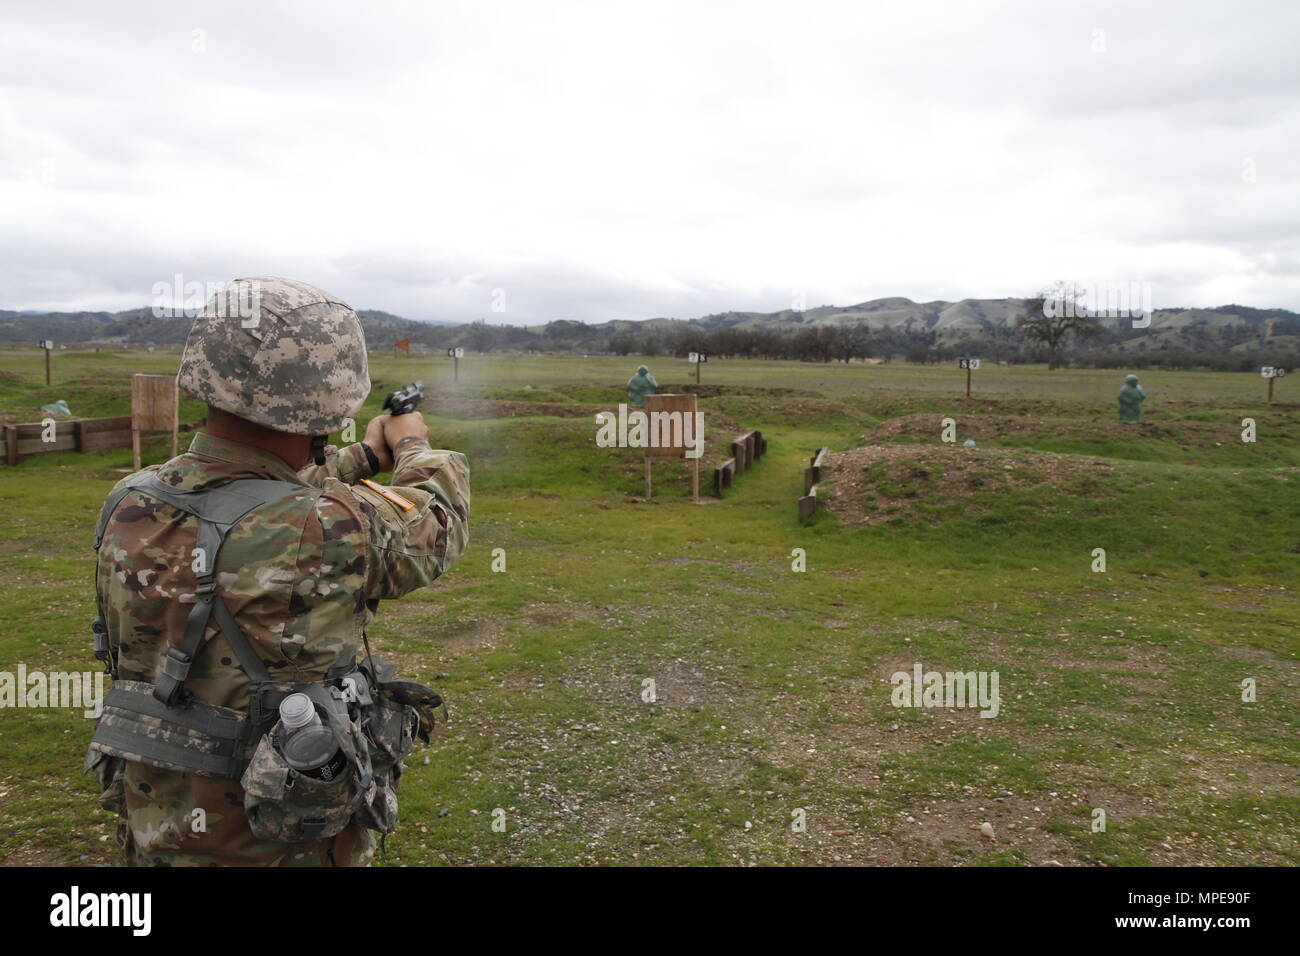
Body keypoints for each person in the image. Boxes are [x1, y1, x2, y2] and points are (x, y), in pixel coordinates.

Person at [85, 276, 470, 866]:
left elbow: (251, 487)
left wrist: (365, 454)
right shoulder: (324, 527)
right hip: (274, 839)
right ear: (328, 395)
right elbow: (437, 521)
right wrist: (413, 446)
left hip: (156, 821)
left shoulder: (129, 501)